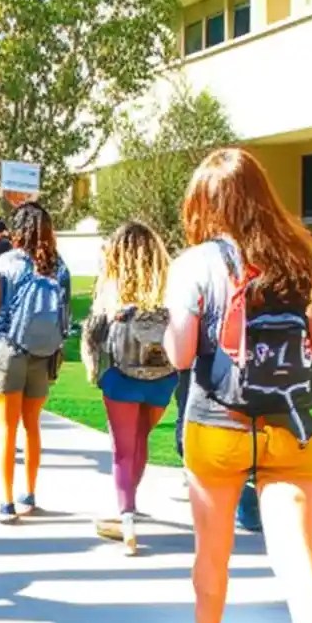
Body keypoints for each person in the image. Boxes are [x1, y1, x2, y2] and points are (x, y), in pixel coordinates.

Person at [164, 147, 312, 623]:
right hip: (291, 427)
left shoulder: (193, 265)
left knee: (213, 561)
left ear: (205, 204)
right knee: (299, 567)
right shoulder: (305, 261)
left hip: (216, 426)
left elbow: (180, 356)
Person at [81, 221, 177, 555]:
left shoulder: (113, 292)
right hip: (163, 377)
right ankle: (129, 506)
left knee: (123, 448)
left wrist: (94, 371)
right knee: (140, 440)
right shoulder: (169, 290)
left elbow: (93, 333)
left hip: (121, 377)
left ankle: (127, 519)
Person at [0, 202, 71, 524]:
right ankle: (29, 493)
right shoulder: (58, 266)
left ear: (16, 230)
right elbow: (66, 314)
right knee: (32, 425)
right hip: (43, 353)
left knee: (6, 427)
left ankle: (6, 501)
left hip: (8, 349)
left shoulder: (4, 263)